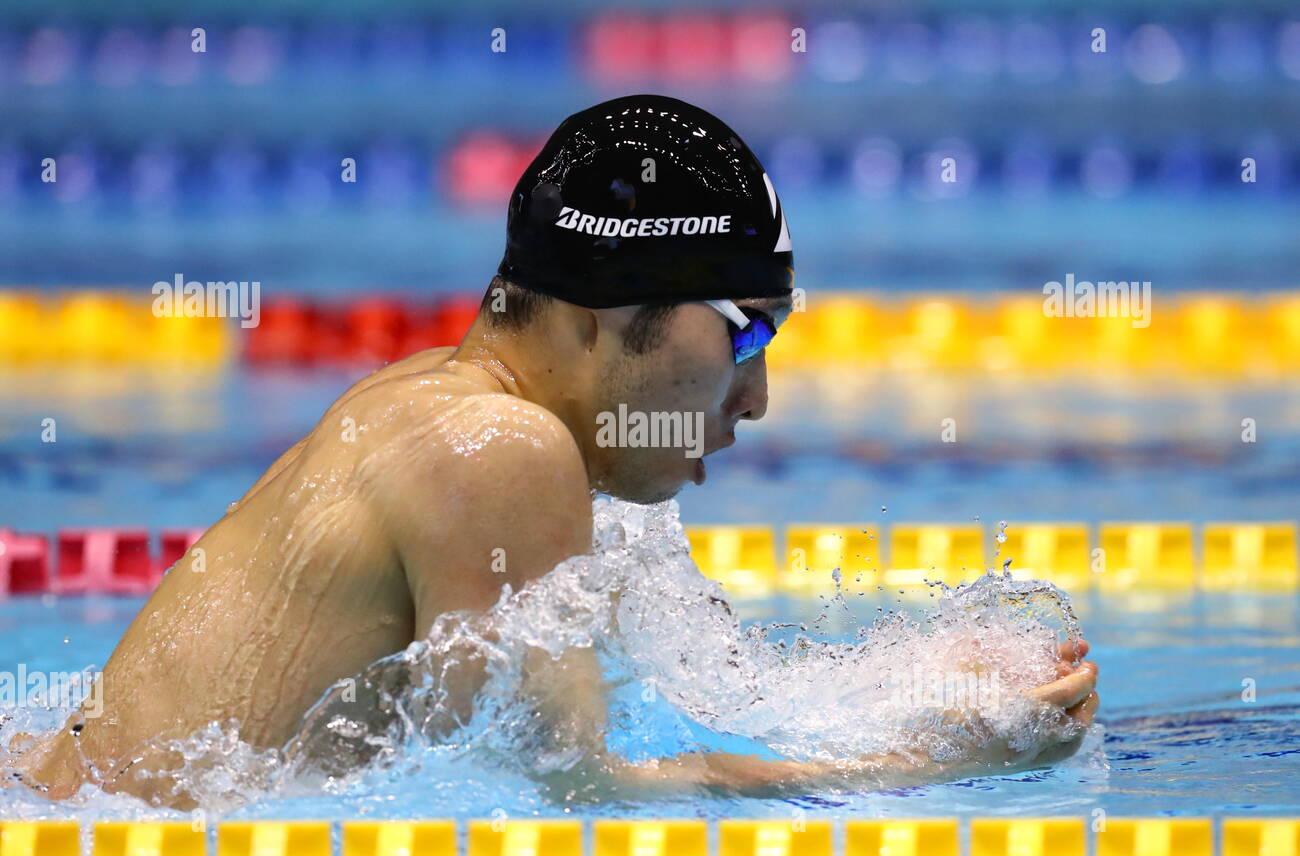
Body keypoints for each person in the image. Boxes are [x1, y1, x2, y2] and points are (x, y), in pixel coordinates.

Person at [10, 94, 1096, 808]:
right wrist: (934, 760)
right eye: (745, 333)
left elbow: (633, 715)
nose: (757, 397)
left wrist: (913, 683)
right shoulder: (499, 449)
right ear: (599, 314)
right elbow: (577, 792)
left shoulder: (441, 402)